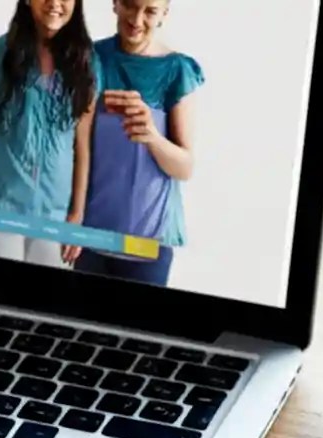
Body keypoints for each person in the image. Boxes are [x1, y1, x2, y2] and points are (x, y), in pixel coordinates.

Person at [72, 0, 204, 286]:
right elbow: (78, 146)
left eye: (150, 11)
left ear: (164, 14)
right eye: (131, 5)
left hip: (147, 245)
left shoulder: (177, 70)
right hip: (91, 237)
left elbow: (184, 167)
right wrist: (74, 215)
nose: (137, 19)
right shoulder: (92, 58)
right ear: (116, 4)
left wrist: (151, 136)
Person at [0, 0, 98, 268]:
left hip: (55, 215)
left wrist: (77, 214)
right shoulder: (0, 53)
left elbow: (82, 147)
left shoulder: (87, 62)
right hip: (2, 208)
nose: (55, 3)